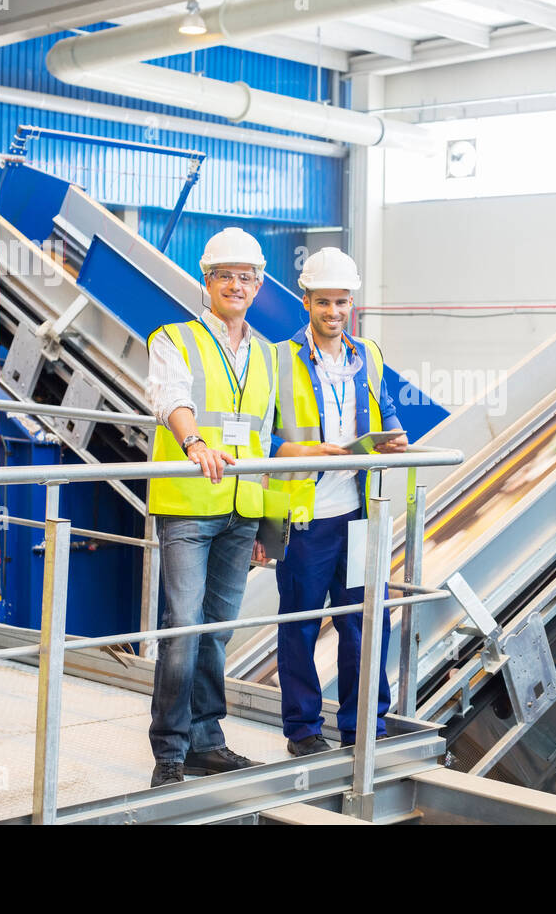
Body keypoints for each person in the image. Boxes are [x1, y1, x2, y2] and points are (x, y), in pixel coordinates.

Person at [143, 227, 276, 788]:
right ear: (207, 280)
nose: (236, 285)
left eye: (246, 277)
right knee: (183, 630)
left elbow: (269, 435)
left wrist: (269, 520)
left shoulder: (268, 353)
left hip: (242, 509)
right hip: (190, 505)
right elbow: (171, 396)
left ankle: (207, 741)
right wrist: (195, 443)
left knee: (217, 631)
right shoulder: (174, 338)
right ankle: (169, 752)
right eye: (225, 276)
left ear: (259, 283)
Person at [267, 247, 407, 756]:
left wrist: (393, 436)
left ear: (353, 303)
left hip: (359, 512)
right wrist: (311, 450)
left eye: (342, 303)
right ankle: (303, 730)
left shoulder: (366, 354)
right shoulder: (279, 358)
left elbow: (385, 408)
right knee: (300, 623)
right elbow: (263, 442)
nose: (333, 313)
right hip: (306, 517)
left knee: (366, 619)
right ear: (306, 301)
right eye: (323, 302)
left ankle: (364, 723)